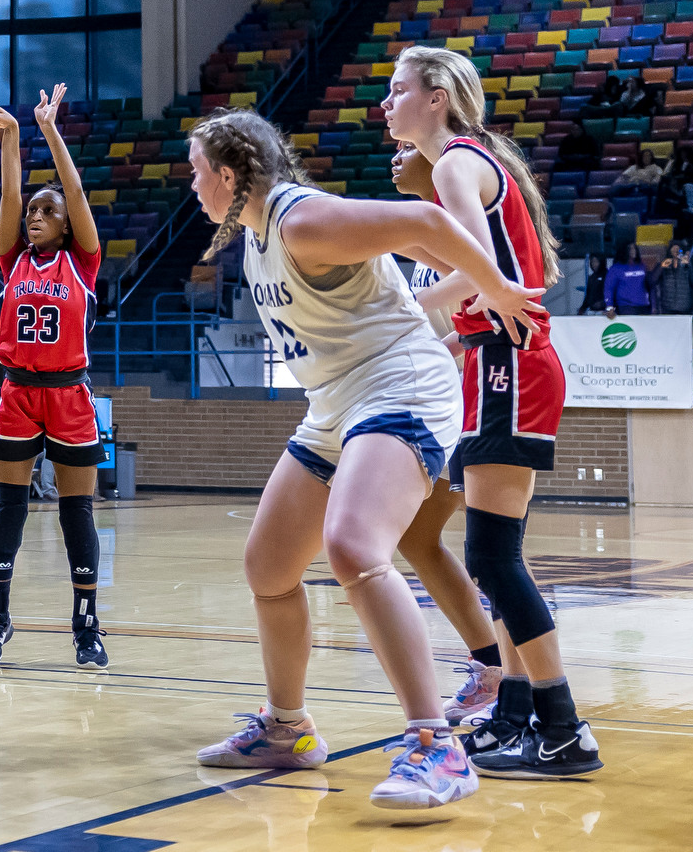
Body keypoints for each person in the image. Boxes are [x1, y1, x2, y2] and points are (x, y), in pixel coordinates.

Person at [182, 103, 549, 810]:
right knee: (268, 566)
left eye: (198, 173)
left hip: (402, 388)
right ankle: (288, 728)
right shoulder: (257, 233)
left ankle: (435, 746)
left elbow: (428, 223)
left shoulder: (300, 219)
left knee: (355, 547)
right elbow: (413, 259)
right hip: (337, 405)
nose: (193, 187)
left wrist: (495, 287)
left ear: (229, 174)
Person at [382, 45, 597, 780]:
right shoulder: (468, 165)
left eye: (399, 89)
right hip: (493, 361)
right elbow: (475, 271)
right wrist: (441, 330)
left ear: (437, 96)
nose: (386, 103)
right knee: (490, 556)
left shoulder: (455, 163)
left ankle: (564, 727)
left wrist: (404, 315)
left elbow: (476, 262)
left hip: (511, 361)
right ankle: (513, 715)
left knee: (491, 557)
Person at [0, 84, 108, 670]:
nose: (36, 217)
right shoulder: (12, 258)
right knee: (10, 508)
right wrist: (12, 136)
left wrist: (47, 128)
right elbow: (9, 193)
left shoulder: (84, 259)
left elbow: (71, 190)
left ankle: (87, 624)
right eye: (34, 212)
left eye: (48, 212)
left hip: (70, 394)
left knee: (78, 513)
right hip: (18, 393)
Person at [387, 144, 515, 729]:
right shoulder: (423, 227)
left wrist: (439, 349)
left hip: (479, 388)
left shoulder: (464, 218)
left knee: (492, 550)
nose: (394, 157)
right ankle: (494, 668)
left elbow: (492, 303)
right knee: (418, 536)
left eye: (405, 151)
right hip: (444, 394)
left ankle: (518, 681)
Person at [602, 244, 651, 315]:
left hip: (644, 305)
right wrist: (609, 306)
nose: (633, 251)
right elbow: (609, 288)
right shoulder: (616, 268)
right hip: (626, 306)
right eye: (630, 249)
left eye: (634, 248)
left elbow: (650, 284)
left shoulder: (642, 266)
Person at [653, 243, 693, 316]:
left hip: (684, 307)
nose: (676, 251)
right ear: (670, 251)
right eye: (674, 249)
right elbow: (653, 280)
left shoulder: (686, 265)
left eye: (678, 249)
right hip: (667, 307)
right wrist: (661, 266)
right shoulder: (665, 264)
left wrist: (689, 265)